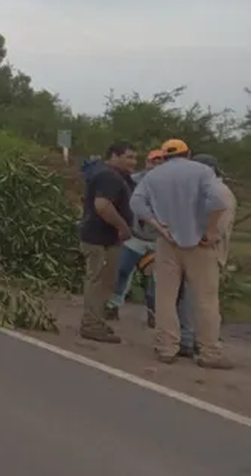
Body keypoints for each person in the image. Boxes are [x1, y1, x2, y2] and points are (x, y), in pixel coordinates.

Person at [131, 139, 230, 368]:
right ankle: (209, 352)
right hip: (200, 244)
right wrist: (211, 230)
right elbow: (219, 201)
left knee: (165, 298)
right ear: (189, 153)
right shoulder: (203, 171)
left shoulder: (154, 175)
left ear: (164, 157)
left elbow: (136, 203)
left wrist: (158, 227)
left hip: (168, 242)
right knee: (206, 300)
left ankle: (167, 347)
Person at [174, 154, 238, 359]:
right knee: (197, 300)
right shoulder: (215, 190)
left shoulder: (215, 192)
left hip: (200, 249)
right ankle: (195, 342)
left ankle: (192, 341)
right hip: (202, 251)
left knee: (196, 300)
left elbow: (216, 227)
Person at [77, 141, 138, 343]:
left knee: (106, 281)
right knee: (98, 281)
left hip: (104, 238)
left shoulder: (111, 175)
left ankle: (97, 321)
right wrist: (123, 227)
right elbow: (103, 206)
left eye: (134, 157)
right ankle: (92, 325)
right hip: (99, 239)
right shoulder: (109, 177)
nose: (133, 162)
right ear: (114, 156)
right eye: (128, 157)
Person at [105, 149, 165, 325]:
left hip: (159, 239)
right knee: (123, 270)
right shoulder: (133, 181)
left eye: (161, 162)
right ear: (147, 162)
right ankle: (113, 305)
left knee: (154, 278)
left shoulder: (171, 185)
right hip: (134, 235)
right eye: (154, 161)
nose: (156, 165)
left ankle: (154, 313)